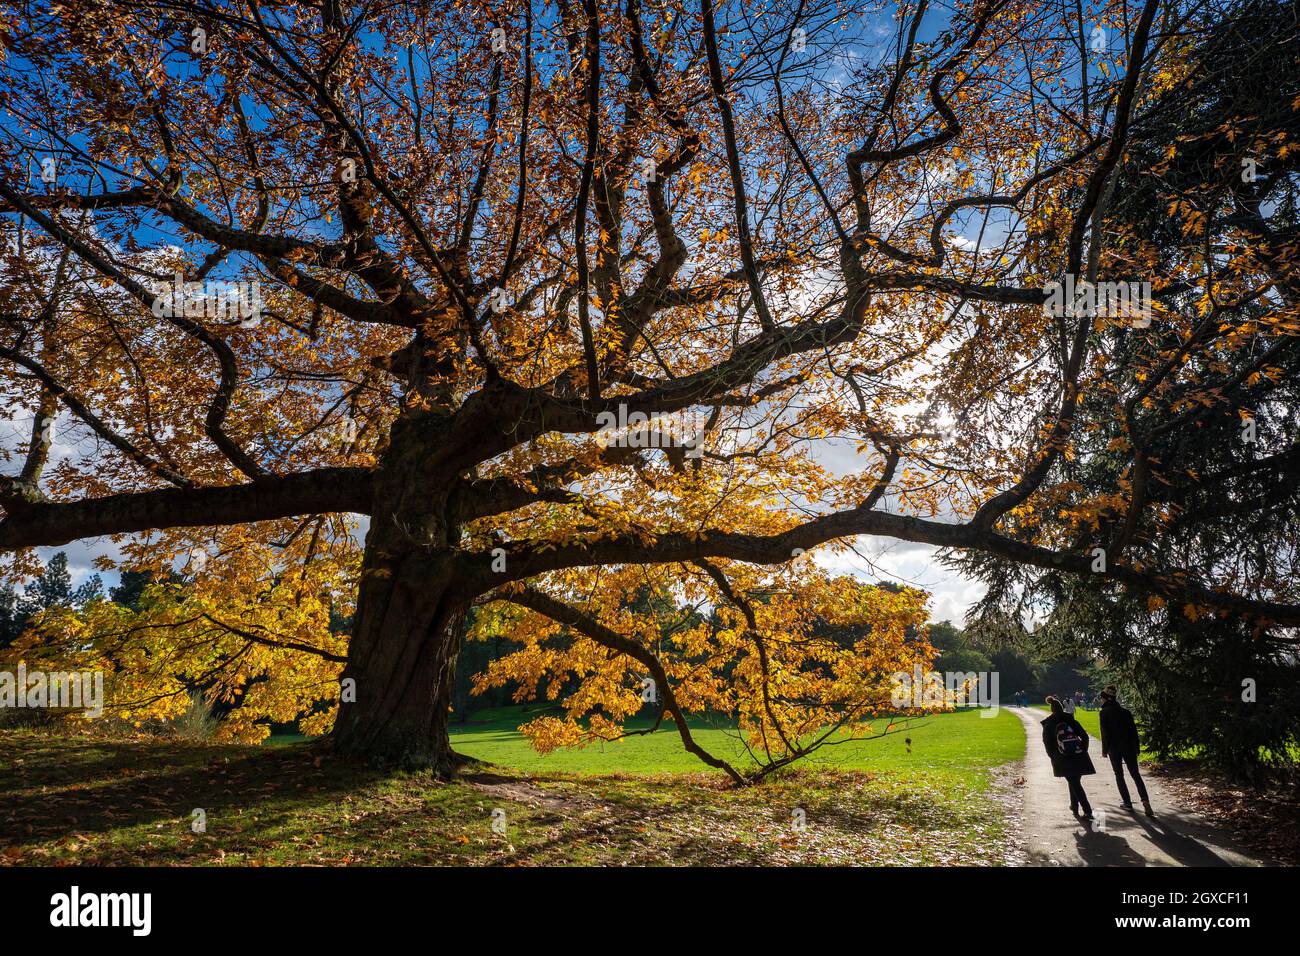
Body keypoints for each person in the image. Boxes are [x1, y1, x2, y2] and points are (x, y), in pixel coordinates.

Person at [1100, 686, 1153, 817]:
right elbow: (1133, 731)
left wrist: (1104, 750)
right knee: (1135, 774)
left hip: (1114, 748)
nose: (1100, 701)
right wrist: (1137, 747)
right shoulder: (1125, 712)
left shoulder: (1104, 713)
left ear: (1106, 699)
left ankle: (1127, 803)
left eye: (1101, 698)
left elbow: (1105, 733)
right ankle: (1145, 800)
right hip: (1129, 746)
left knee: (1119, 775)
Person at [1041, 696, 1096, 818]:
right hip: (1078, 755)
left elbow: (1047, 743)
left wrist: (1052, 757)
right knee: (1074, 781)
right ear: (1062, 707)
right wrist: (1083, 750)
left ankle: (1087, 810)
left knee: (1074, 782)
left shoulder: (1049, 724)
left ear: (1052, 709)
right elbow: (1085, 736)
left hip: (1061, 758)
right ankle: (1074, 807)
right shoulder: (1071, 720)